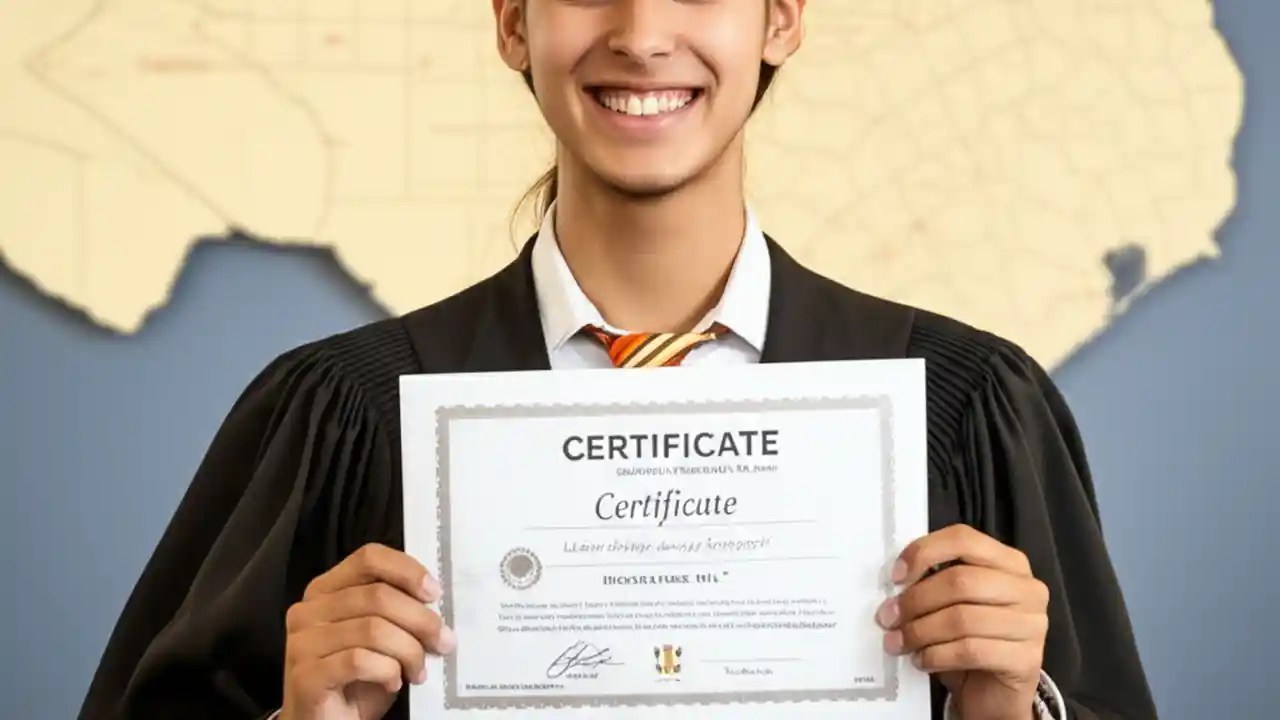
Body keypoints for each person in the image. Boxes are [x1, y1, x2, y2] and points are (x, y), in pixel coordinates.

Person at [78, 1, 1157, 718]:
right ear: (511, 22)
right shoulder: (344, 416)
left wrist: (1006, 708)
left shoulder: (961, 410)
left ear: (779, 18)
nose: (641, 35)